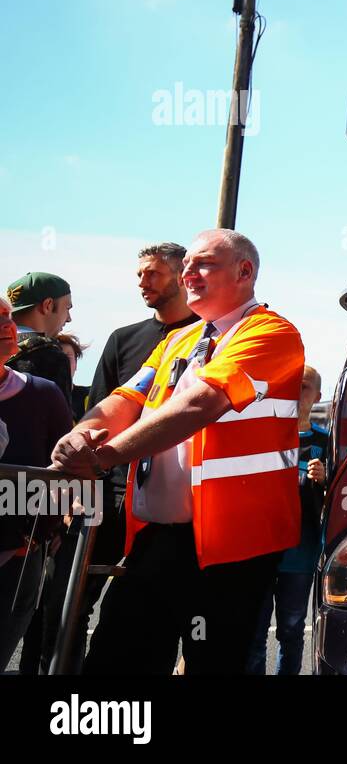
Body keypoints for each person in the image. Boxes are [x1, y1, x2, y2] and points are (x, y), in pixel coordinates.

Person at [50, 229, 305, 675]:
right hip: (161, 539)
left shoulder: (273, 334)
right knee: (116, 661)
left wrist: (102, 457)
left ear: (245, 271)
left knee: (211, 665)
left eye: (204, 263)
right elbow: (127, 398)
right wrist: (82, 433)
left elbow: (201, 403)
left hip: (233, 550)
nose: (189, 272)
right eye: (187, 264)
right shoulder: (176, 342)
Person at [31, 244, 199, 675]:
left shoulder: (209, 337)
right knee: (66, 603)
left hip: (172, 508)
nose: (141, 282)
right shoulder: (124, 339)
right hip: (104, 494)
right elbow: (99, 410)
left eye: (153, 274)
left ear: (182, 276)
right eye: (140, 274)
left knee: (159, 615)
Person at [0, 293, 74, 669]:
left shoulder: (43, 394)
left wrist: (45, 529)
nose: (7, 327)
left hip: (19, 550)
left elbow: (62, 468)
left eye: (7, 318)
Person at [247, 365, 329, 674]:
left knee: (292, 630)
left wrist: (325, 479)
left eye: (305, 387)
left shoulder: (326, 441)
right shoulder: (266, 434)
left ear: (317, 396)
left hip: (301, 552)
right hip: (262, 550)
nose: (297, 392)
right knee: (254, 632)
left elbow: (340, 494)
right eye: (293, 385)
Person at [4, 272, 74, 406]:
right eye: (67, 308)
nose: (69, 318)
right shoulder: (50, 356)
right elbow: (58, 423)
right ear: (47, 305)